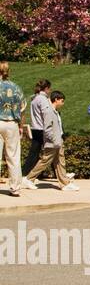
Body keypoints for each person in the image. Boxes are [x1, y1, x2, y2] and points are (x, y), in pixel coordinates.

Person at [24, 91, 78, 192]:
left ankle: (65, 184)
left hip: (58, 141)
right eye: (62, 101)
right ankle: (29, 179)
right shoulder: (49, 111)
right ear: (56, 100)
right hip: (53, 142)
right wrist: (53, 140)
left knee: (60, 163)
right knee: (45, 161)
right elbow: (47, 128)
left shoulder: (55, 111)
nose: (63, 103)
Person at [0, 63, 34, 195]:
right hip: (12, 124)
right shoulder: (16, 88)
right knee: (13, 156)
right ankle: (15, 187)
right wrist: (21, 126)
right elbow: (22, 110)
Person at [21, 79, 51, 181]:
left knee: (34, 152)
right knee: (51, 152)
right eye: (49, 89)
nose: (50, 91)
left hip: (35, 127)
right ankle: (26, 173)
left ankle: (26, 173)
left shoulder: (35, 98)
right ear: (46, 88)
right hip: (42, 128)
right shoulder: (42, 99)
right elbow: (46, 114)